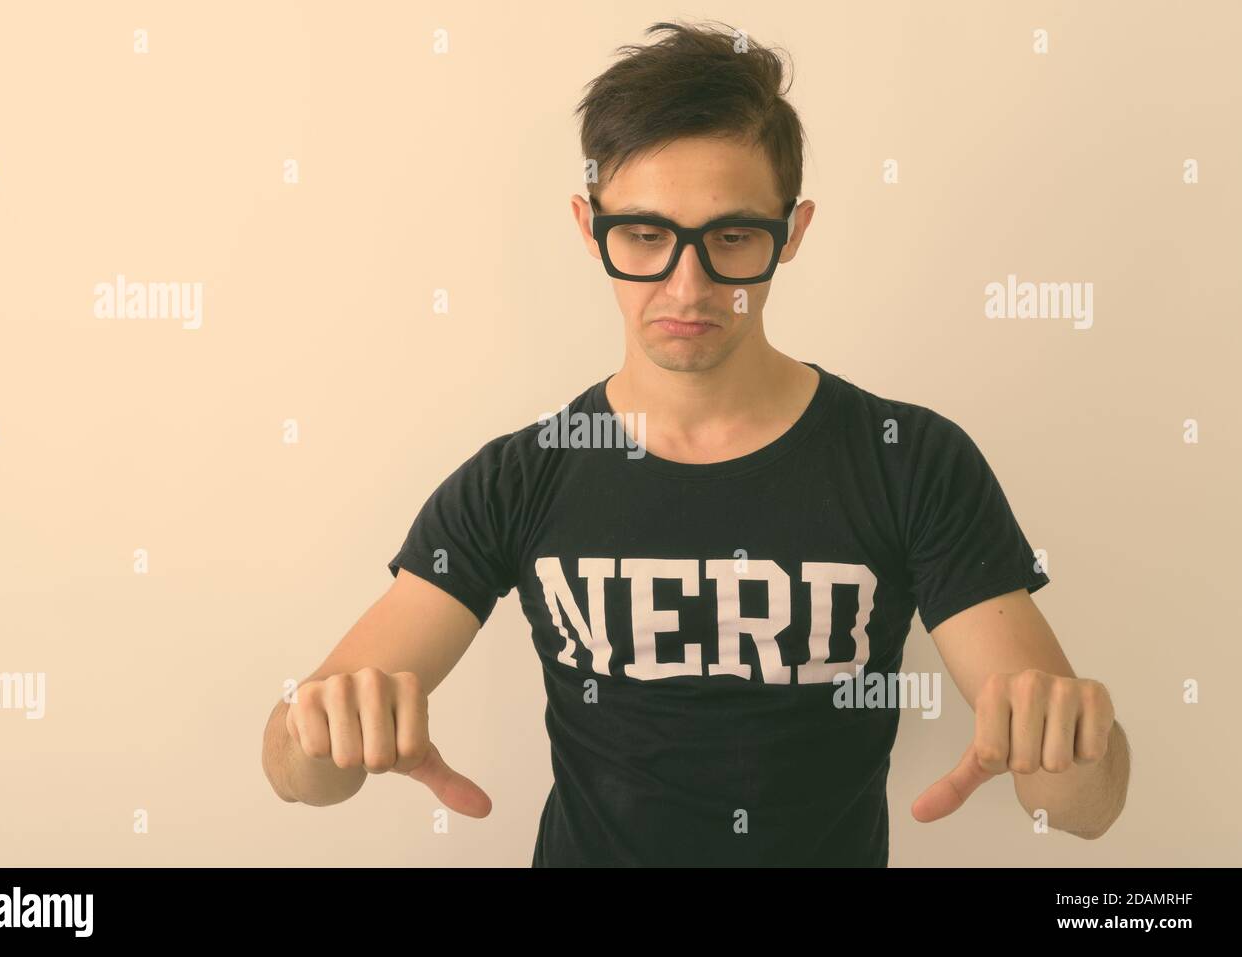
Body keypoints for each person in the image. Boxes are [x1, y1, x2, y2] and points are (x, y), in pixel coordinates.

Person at [261, 19, 1129, 867]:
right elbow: (298, 774)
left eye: (732, 236)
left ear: (791, 233)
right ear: (586, 225)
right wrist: (322, 728)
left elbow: (1082, 810)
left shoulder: (911, 459)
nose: (688, 283)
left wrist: (1077, 748)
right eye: (644, 234)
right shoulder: (518, 479)